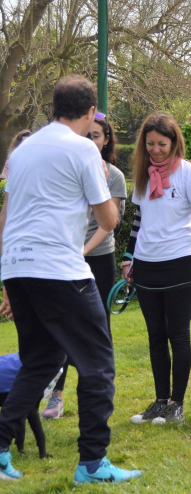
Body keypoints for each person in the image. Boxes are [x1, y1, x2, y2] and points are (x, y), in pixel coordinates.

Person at [0, 74, 140, 482]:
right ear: (90, 112)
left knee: (41, 361)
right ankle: (92, 463)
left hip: (17, 267)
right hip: (59, 269)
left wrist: (6, 276)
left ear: (53, 108)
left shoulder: (23, 151)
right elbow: (109, 218)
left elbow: (5, 217)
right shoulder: (82, 149)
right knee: (98, 363)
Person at [123, 113, 191, 426]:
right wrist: (128, 257)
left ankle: (176, 405)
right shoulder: (143, 174)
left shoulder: (189, 173)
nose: (155, 150)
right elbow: (138, 221)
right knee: (155, 337)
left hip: (179, 263)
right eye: (150, 144)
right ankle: (159, 402)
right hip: (145, 265)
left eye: (162, 144)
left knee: (178, 336)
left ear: (174, 142)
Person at [43, 112, 127, 420]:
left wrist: (83, 250)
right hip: (66, 257)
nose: (89, 140)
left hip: (98, 257)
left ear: (106, 140)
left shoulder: (114, 176)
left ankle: (99, 393)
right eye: (85, 134)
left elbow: (110, 223)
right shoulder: (65, 170)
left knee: (97, 326)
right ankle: (56, 394)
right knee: (63, 324)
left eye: (95, 135)